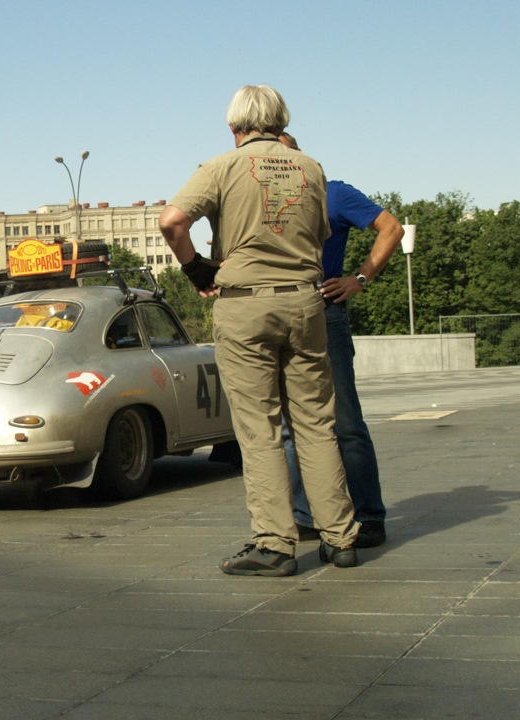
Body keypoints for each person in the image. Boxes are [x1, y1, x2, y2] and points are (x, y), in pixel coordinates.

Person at [159, 85, 359, 577]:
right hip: (306, 302)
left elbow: (172, 221)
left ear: (234, 128)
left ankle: (274, 544)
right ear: (280, 120)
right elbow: (319, 234)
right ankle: (341, 538)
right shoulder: (311, 167)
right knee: (316, 423)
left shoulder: (221, 168)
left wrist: (196, 270)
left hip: (246, 306)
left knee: (261, 428)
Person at [278, 132, 403, 549]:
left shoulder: (334, 194)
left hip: (324, 309)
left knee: (345, 420)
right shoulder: (263, 202)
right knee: (291, 425)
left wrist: (360, 278)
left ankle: (368, 515)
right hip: (278, 312)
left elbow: (391, 227)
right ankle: (305, 515)